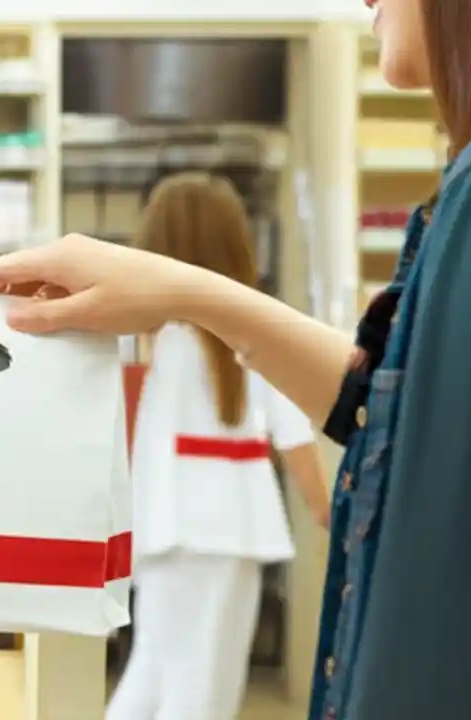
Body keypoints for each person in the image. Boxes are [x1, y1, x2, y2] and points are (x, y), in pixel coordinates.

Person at [0, 0, 471, 716]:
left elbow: (431, 490)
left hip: (172, 525)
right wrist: (191, 294)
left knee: (166, 673)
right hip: (216, 526)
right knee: (190, 679)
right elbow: (389, 411)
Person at [105, 172, 329, 720]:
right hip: (228, 530)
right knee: (202, 683)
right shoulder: (253, 329)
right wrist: (331, 511)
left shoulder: (142, 334)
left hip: (160, 529)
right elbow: (295, 434)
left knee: (158, 668)